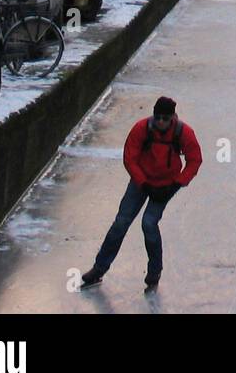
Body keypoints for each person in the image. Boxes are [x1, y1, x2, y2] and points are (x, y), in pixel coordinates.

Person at [81, 96, 202, 291]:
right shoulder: (141, 129)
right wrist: (143, 183)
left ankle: (154, 271)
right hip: (141, 182)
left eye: (165, 118)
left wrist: (176, 185)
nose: (160, 122)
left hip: (165, 186)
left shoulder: (183, 132)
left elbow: (195, 160)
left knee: (149, 223)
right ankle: (99, 268)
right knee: (121, 222)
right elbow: (130, 157)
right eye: (158, 117)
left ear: (172, 118)